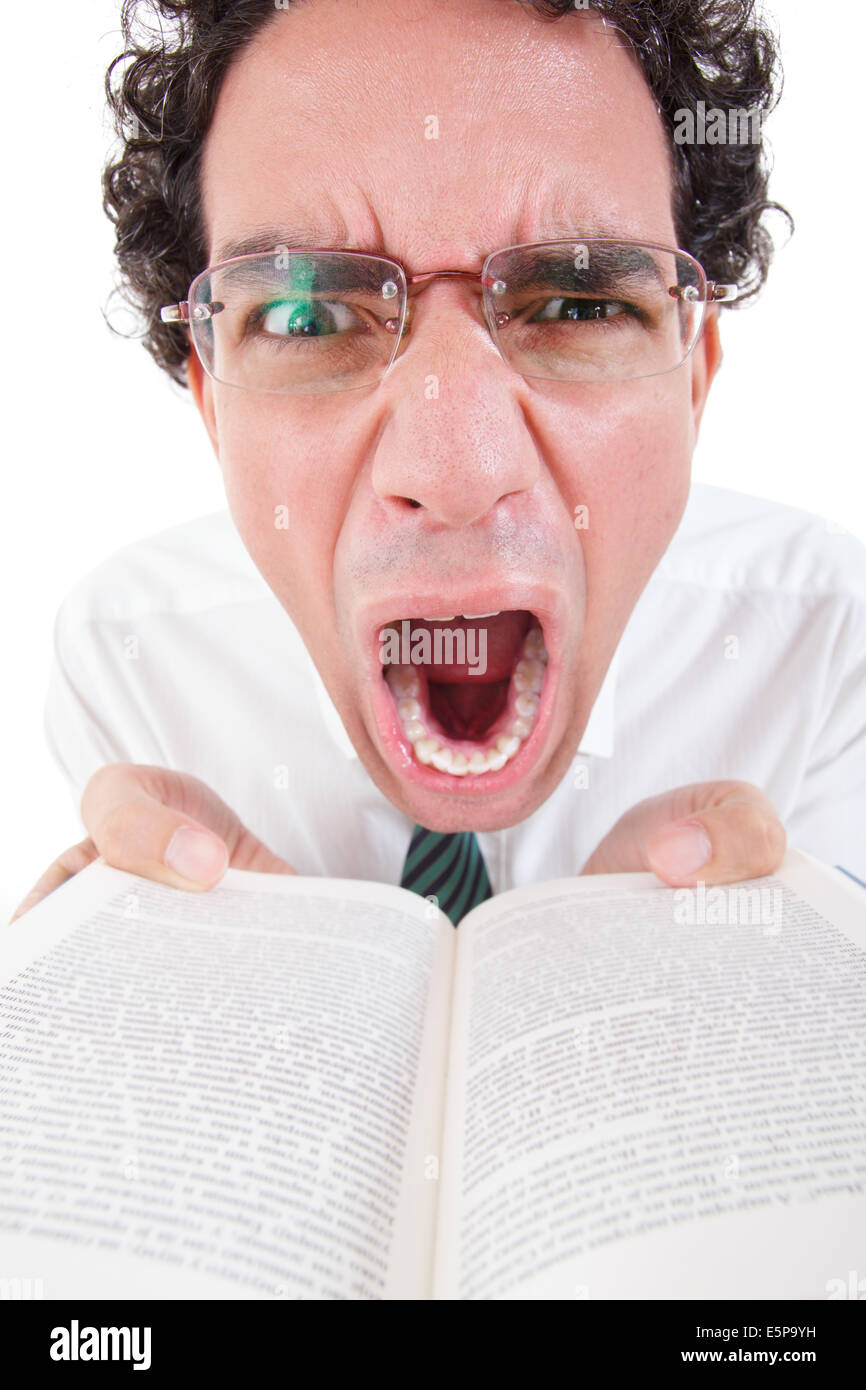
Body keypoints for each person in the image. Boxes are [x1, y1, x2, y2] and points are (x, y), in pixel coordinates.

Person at [12, 0, 866, 923]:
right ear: (214, 407)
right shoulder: (128, 659)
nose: (456, 472)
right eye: (308, 319)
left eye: (578, 306)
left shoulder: (826, 647)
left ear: (691, 386)